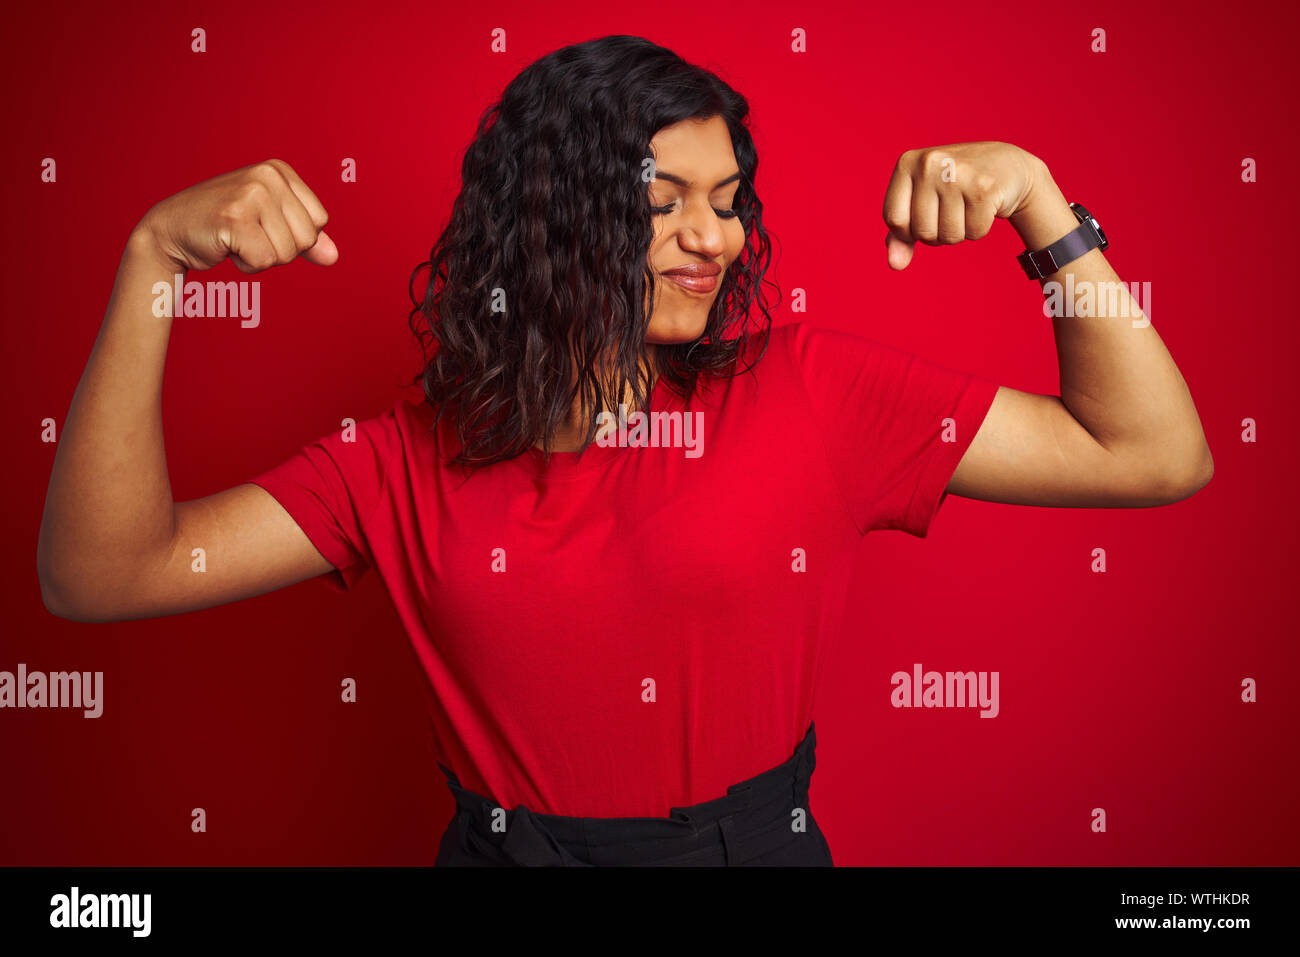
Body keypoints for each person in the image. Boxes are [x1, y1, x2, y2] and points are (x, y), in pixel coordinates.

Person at [35, 35, 1212, 866]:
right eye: (662, 202)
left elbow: (1150, 454)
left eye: (729, 198)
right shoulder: (396, 463)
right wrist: (154, 263)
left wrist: (1044, 210)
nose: (713, 236)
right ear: (551, 213)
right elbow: (101, 575)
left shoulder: (807, 390)